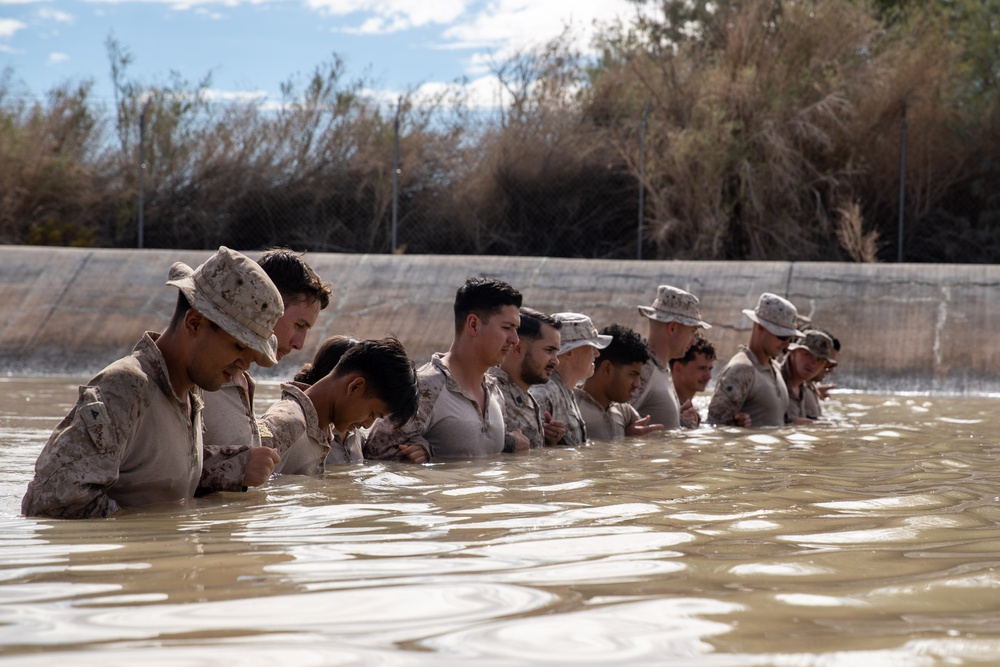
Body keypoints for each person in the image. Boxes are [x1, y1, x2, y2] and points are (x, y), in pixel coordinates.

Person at [22, 247, 285, 519]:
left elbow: (154, 477)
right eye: (238, 346)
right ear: (194, 324)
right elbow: (52, 502)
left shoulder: (191, 395)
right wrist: (151, 532)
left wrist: (233, 467)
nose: (244, 364)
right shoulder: (126, 387)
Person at [200, 248, 331, 488]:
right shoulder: (197, 374)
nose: (299, 344)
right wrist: (237, 467)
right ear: (268, 305)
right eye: (298, 325)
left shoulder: (241, 379)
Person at [363, 277, 522, 462]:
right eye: (507, 327)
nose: (515, 339)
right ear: (474, 325)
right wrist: (427, 456)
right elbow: (374, 456)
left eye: (516, 329)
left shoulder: (494, 391)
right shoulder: (424, 388)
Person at [259, 336, 419, 475]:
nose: (367, 425)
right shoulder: (287, 424)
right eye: (372, 414)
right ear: (355, 387)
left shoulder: (324, 431)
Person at [707, 292, 804, 428]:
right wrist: (734, 426)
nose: (787, 344)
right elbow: (714, 426)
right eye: (782, 336)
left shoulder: (775, 368)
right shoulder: (741, 370)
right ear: (760, 328)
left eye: (790, 338)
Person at [631, 285, 711, 430]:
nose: (693, 341)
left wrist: (678, 419)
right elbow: (612, 424)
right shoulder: (643, 369)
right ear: (672, 328)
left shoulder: (661, 367)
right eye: (692, 332)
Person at [488, 308, 565, 451]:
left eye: (556, 352)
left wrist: (548, 440)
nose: (556, 361)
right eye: (549, 350)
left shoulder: (527, 397)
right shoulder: (491, 394)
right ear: (517, 349)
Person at [529, 312, 611, 446]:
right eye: (591, 347)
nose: (597, 353)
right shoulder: (543, 394)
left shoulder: (565, 390)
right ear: (569, 352)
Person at [576, 324, 664, 440]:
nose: (637, 384)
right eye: (632, 374)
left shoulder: (625, 412)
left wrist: (629, 439)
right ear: (607, 368)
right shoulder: (572, 407)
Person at [782, 329, 837, 424]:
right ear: (794, 352)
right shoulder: (774, 381)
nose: (813, 363)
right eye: (808, 355)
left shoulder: (806, 388)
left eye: (820, 360)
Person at [670, 334, 717, 424]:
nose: (708, 376)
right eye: (702, 368)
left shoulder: (690, 411)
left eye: (710, 369)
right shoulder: (665, 406)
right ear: (678, 368)